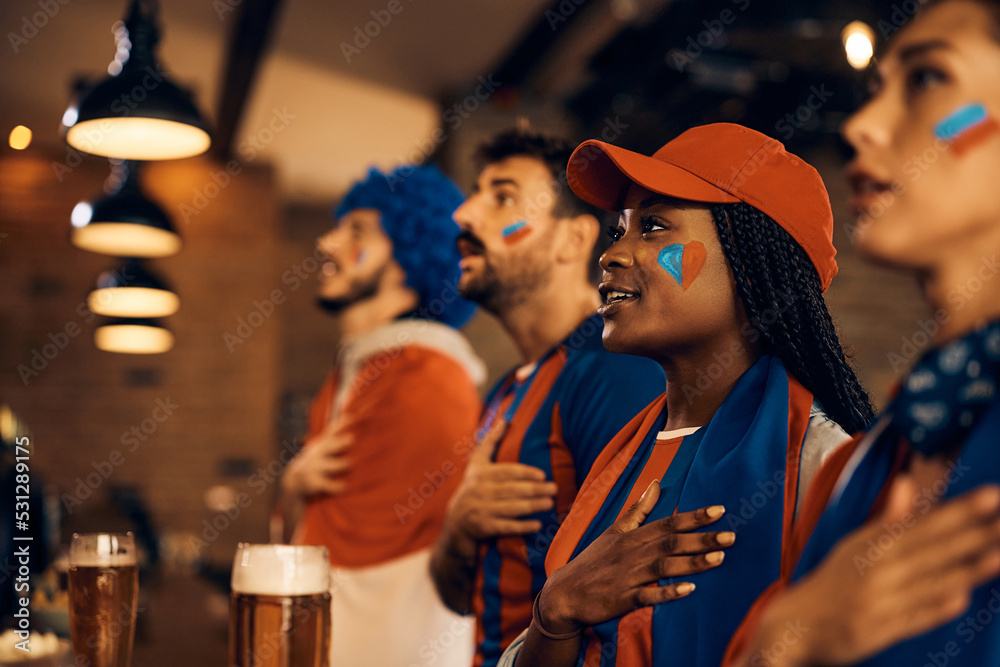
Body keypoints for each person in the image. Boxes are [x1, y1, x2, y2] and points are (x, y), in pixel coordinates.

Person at [502, 122, 877, 667]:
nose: (612, 255)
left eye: (653, 226)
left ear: (750, 263)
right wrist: (556, 610)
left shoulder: (823, 466)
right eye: (618, 230)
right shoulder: (622, 453)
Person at [722, 1, 1000, 664]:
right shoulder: (864, 461)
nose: (860, 125)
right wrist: (783, 642)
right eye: (875, 89)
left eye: (928, 79)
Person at [428, 129, 667, 666]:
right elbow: (458, 597)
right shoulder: (505, 391)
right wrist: (458, 528)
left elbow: (631, 608)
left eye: (503, 197)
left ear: (573, 240)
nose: (463, 214)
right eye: (475, 194)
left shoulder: (612, 371)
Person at [277, 165, 486, 667]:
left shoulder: (427, 376)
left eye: (358, 231)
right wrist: (293, 484)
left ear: (408, 255)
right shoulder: (361, 372)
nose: (328, 243)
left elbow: (385, 559)